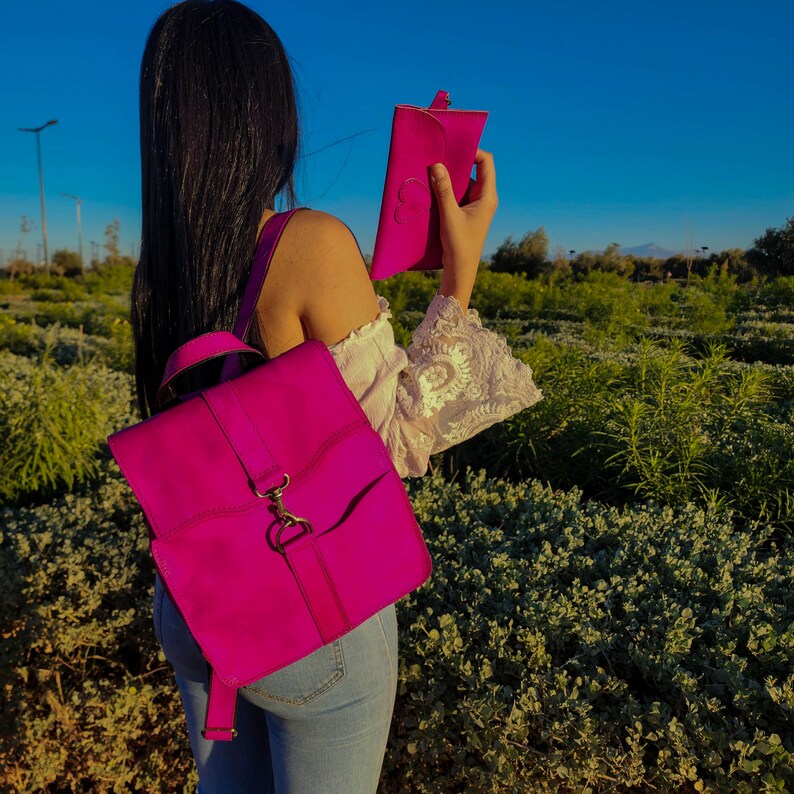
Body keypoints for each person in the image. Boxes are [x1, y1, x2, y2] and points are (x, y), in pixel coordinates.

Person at [132, 1, 543, 791]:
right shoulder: (310, 241)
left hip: (196, 602)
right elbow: (392, 443)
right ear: (268, 115)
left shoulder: (163, 267)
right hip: (308, 609)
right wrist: (460, 274)